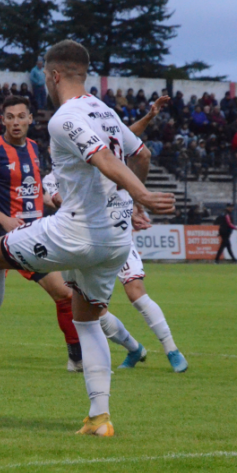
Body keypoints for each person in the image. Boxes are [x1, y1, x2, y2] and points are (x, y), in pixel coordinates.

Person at [0, 40, 175, 436]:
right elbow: (140, 156)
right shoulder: (106, 112)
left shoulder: (65, 118)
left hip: (76, 231)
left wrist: (141, 196)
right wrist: (131, 202)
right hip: (115, 240)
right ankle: (99, 417)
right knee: (87, 320)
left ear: (54, 74)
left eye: (44, 74)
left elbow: (104, 160)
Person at [41, 94, 188, 373]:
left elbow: (120, 140)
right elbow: (59, 201)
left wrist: (147, 118)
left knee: (136, 293)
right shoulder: (51, 179)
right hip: (83, 239)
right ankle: (134, 349)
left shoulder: (94, 161)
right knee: (92, 310)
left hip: (115, 234)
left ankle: (172, 350)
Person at [0, 96, 85, 374]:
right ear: (2, 120)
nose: (15, 122)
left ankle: (76, 359)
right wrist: (3, 219)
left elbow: (31, 190)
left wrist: (52, 200)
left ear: (31, 118)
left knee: (64, 295)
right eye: (9, 117)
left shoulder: (32, 147)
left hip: (32, 240)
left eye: (20, 116)